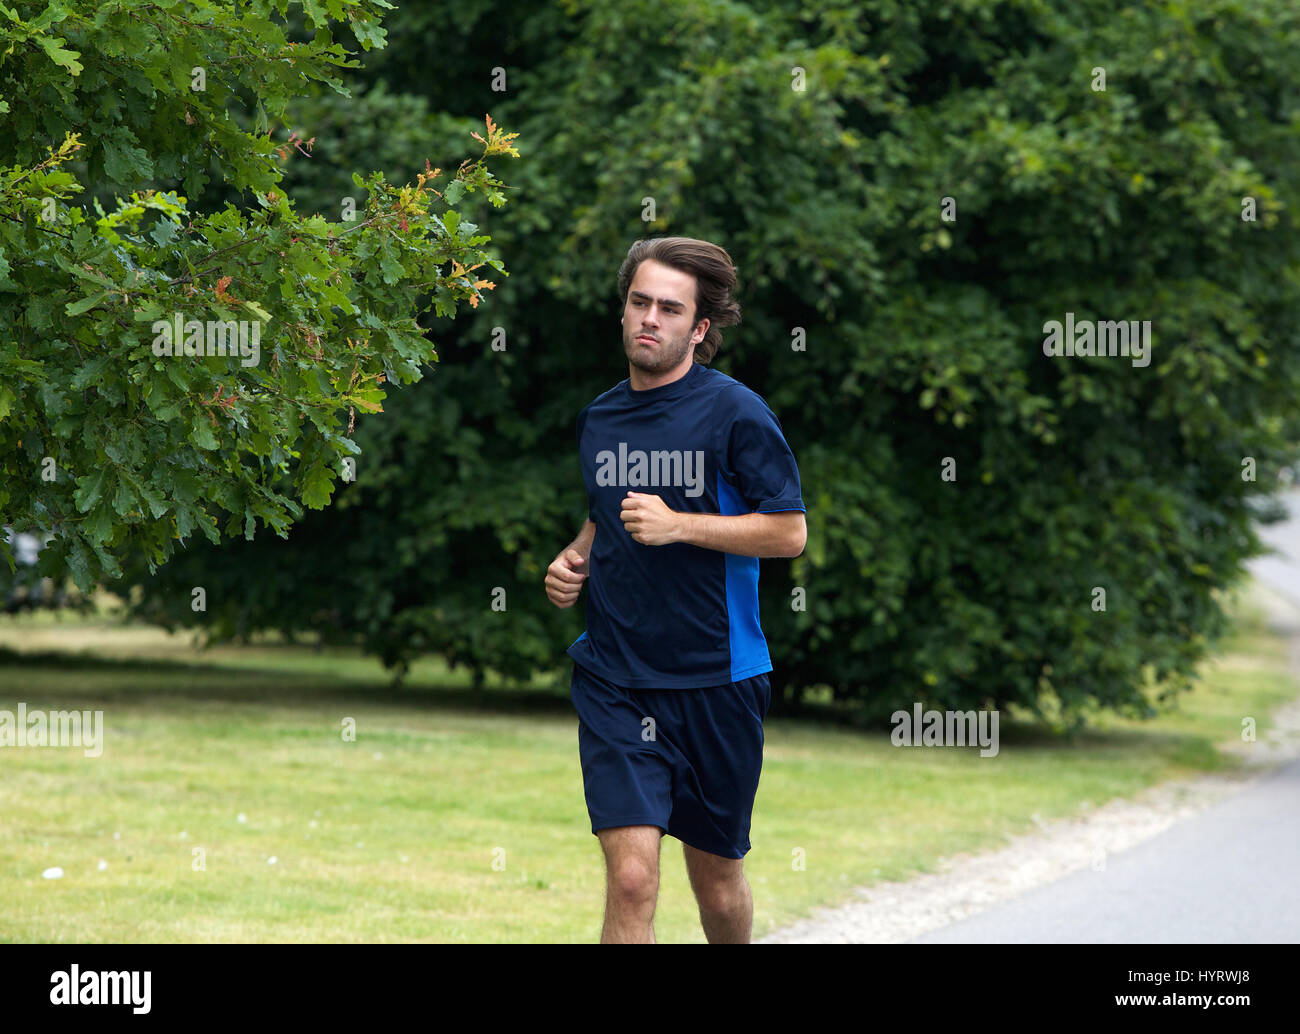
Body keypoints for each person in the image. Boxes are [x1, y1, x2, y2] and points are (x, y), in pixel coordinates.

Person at [544, 236, 807, 943]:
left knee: (717, 886)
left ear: (700, 328)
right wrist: (575, 557)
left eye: (669, 308)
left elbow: (788, 533)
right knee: (632, 879)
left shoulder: (736, 414)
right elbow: (607, 512)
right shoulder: (600, 418)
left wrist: (681, 525)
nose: (649, 319)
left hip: (717, 680)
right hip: (616, 676)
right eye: (639, 303)